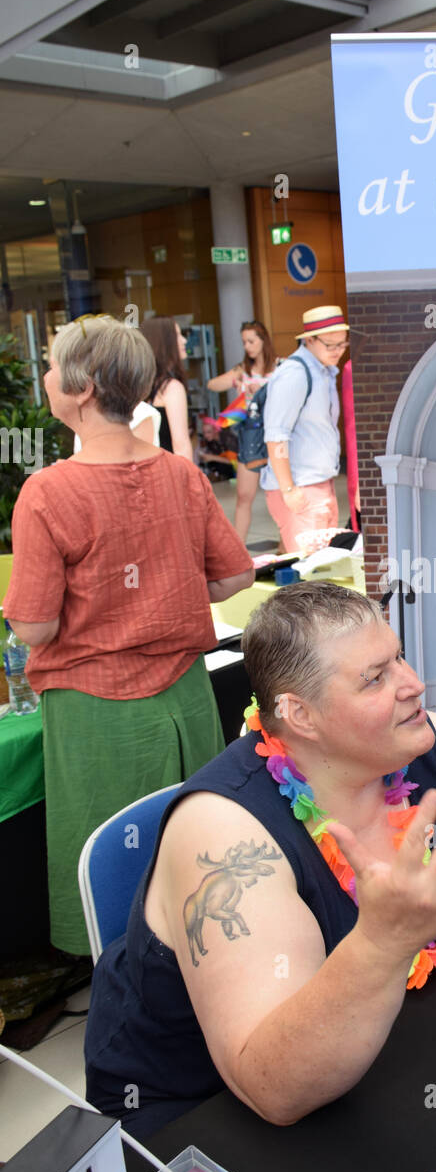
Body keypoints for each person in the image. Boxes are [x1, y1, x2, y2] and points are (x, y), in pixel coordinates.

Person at [85, 581, 436, 1136]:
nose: (414, 684)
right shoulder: (224, 836)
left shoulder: (433, 743)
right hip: (207, 1124)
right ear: (300, 716)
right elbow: (273, 1088)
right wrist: (382, 942)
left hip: (390, 1069)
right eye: (375, 678)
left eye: (399, 657)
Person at [3, 315, 254, 956]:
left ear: (83, 389)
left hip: (96, 714)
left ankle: (130, 1001)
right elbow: (232, 578)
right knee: (196, 860)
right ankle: (210, 981)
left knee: (114, 876)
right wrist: (162, 593)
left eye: (55, 366)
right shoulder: (183, 474)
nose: (48, 376)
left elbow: (34, 625)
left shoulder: (46, 492)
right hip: (188, 698)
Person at [260, 305, 346, 553]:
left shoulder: (325, 371)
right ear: (309, 340)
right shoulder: (295, 374)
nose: (338, 351)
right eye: (331, 345)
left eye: (342, 344)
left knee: (323, 567)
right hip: (300, 487)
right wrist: (289, 489)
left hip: (320, 482)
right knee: (309, 575)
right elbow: (276, 437)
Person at [207, 320, 280, 544]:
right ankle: (238, 548)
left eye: (251, 341)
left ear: (263, 340)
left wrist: (267, 391)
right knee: (243, 496)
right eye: (244, 342)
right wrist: (234, 381)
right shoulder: (243, 369)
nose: (248, 346)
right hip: (250, 435)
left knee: (277, 495)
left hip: (276, 433)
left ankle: (285, 547)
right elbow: (212, 384)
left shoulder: (281, 367)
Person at [140, 316, 194, 459]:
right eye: (177, 335)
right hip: (168, 471)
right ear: (164, 342)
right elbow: (181, 446)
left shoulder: (140, 387)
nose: (184, 341)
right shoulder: (171, 388)